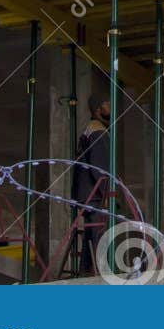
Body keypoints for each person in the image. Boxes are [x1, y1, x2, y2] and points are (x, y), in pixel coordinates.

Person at [72, 95, 111, 274]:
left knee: (91, 232)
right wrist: (107, 193)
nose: (110, 106)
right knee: (99, 231)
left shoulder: (90, 128)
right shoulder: (98, 130)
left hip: (85, 192)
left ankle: (87, 270)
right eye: (106, 103)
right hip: (93, 193)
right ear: (98, 109)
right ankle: (100, 271)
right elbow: (100, 166)